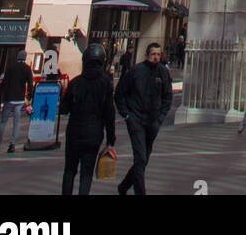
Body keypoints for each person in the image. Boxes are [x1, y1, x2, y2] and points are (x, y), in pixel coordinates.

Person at [114, 42, 173, 195]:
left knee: (143, 159)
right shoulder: (135, 71)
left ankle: (124, 186)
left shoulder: (163, 72)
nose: (156, 57)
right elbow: (120, 93)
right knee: (140, 158)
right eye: (153, 54)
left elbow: (168, 97)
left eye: (159, 54)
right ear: (147, 55)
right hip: (136, 119)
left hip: (153, 122)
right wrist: (127, 115)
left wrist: (160, 118)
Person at [59, 43, 116, 195]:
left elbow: (64, 109)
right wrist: (111, 137)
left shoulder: (76, 82)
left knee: (69, 170)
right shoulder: (105, 84)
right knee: (87, 172)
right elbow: (109, 112)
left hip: (74, 131)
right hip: (94, 132)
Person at [0, 50, 33, 153]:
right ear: (24, 58)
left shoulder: (11, 68)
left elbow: (4, 82)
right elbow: (30, 83)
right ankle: (12, 144)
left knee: (3, 122)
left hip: (9, 98)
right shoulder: (27, 68)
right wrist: (29, 96)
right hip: (19, 99)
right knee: (16, 122)